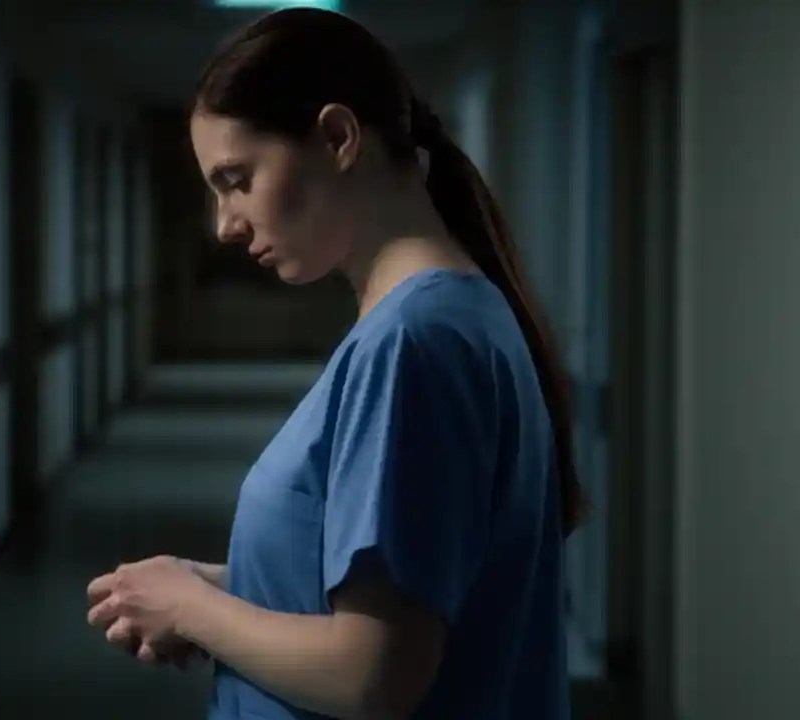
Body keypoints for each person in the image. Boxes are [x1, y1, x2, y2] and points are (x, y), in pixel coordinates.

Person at [87, 7, 585, 719]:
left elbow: (373, 674)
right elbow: (408, 595)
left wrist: (192, 608)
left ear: (337, 137)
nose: (224, 224)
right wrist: (216, 588)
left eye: (236, 179)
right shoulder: (446, 319)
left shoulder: (414, 345)